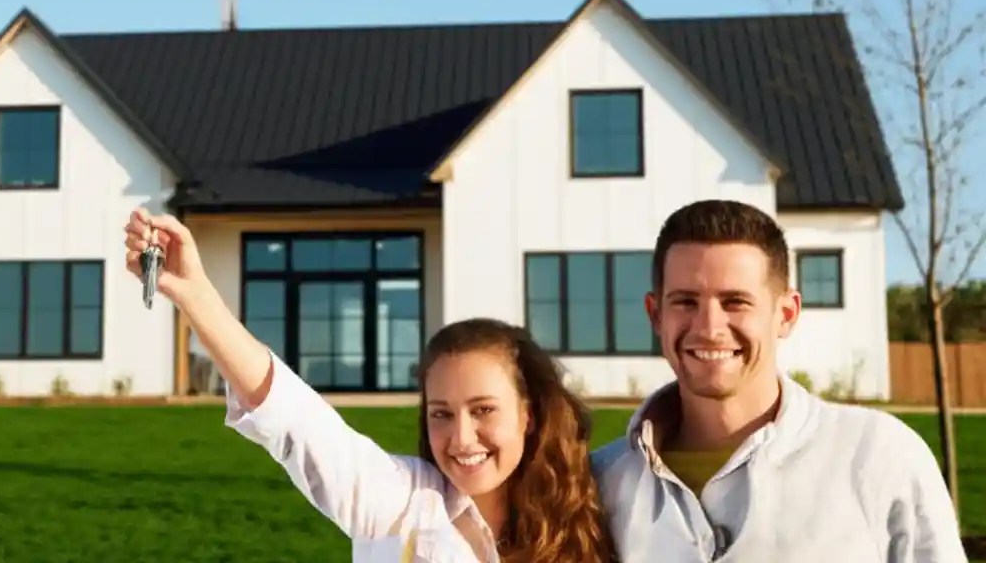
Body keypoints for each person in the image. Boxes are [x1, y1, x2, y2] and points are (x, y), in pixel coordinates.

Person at [124, 208, 613, 562]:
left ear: (528, 414)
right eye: (441, 413)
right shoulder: (404, 502)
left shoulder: (591, 510)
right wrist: (196, 297)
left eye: (483, 410)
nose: (462, 438)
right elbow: (298, 424)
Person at [592, 199, 966, 561]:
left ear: (786, 314)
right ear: (656, 315)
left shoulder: (878, 459)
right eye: (686, 302)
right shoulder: (600, 485)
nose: (709, 328)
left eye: (735, 302)